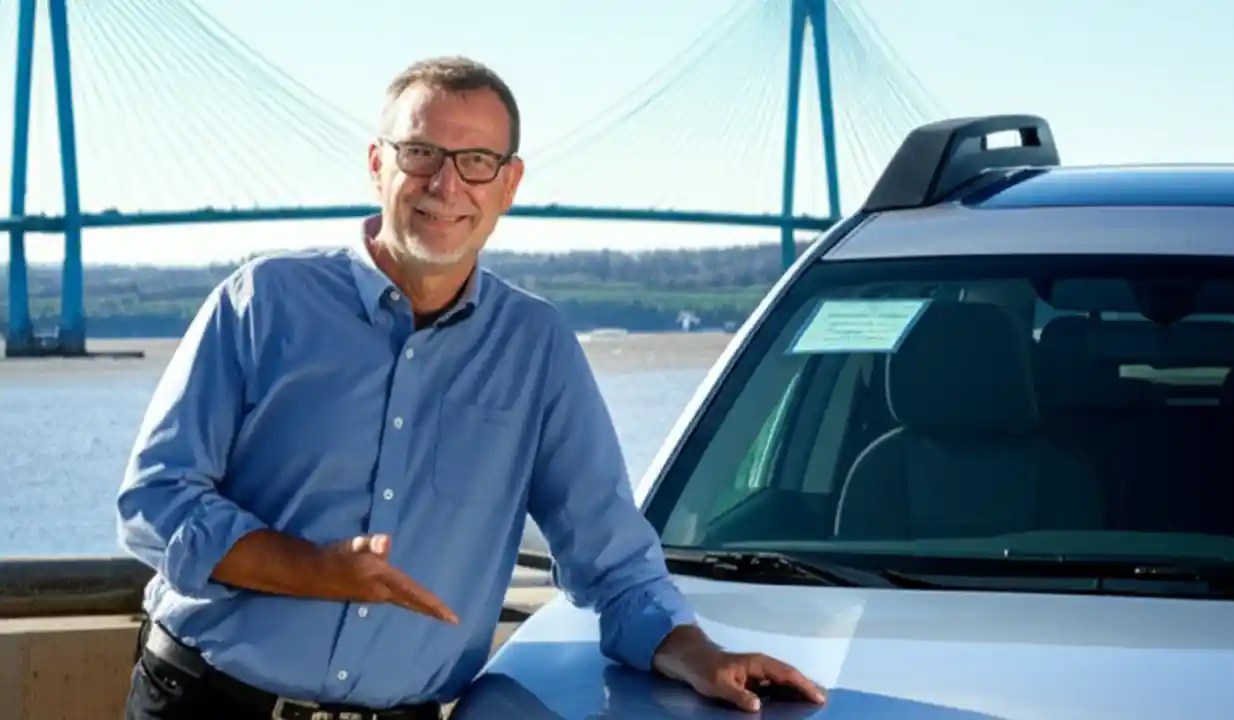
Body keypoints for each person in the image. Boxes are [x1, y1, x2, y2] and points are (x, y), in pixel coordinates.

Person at [116, 56, 826, 719]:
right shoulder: (263, 301)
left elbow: (610, 555)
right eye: (420, 153)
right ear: (376, 164)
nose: (445, 185)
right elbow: (154, 503)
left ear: (509, 184)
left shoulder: (536, 348)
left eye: (476, 161)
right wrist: (314, 569)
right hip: (205, 700)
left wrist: (698, 655)